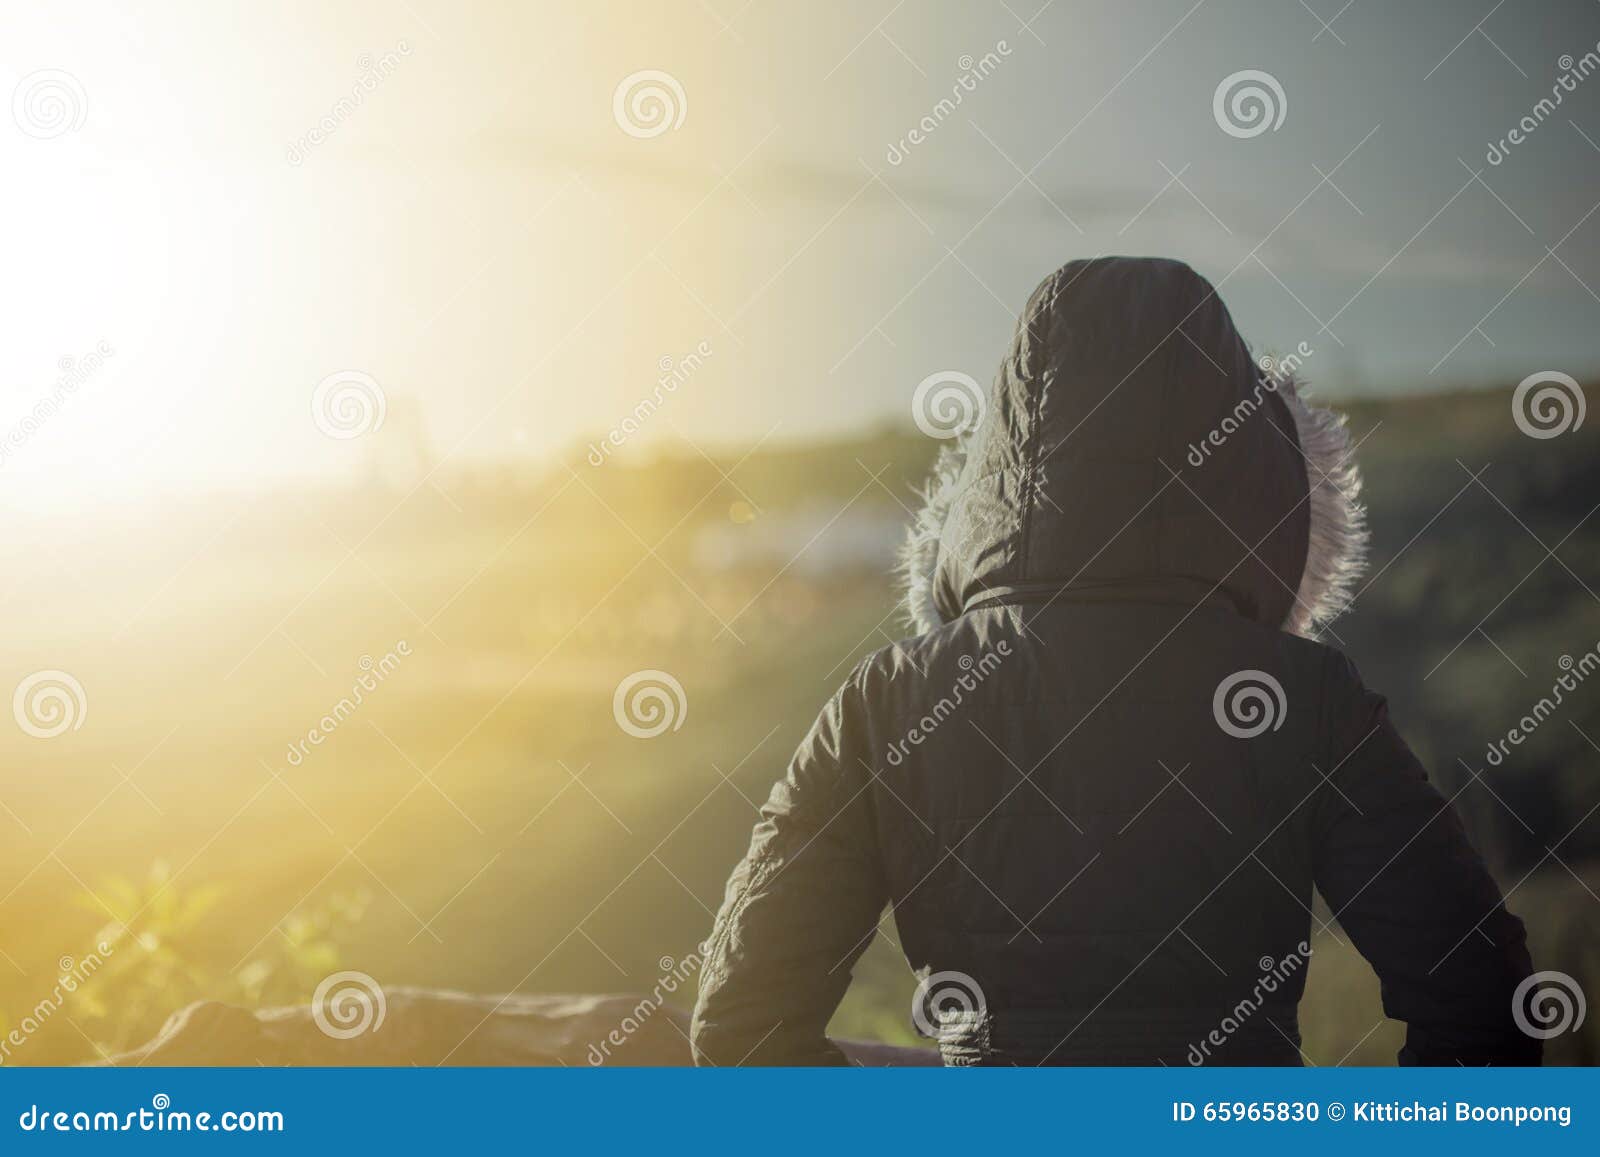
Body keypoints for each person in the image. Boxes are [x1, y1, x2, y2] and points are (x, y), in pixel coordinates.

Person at [689, 256, 1538, 1066]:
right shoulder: (1303, 696)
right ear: (1245, 455)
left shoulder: (888, 700)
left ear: (1006, 453)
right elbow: (1484, 999)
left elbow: (741, 1027)